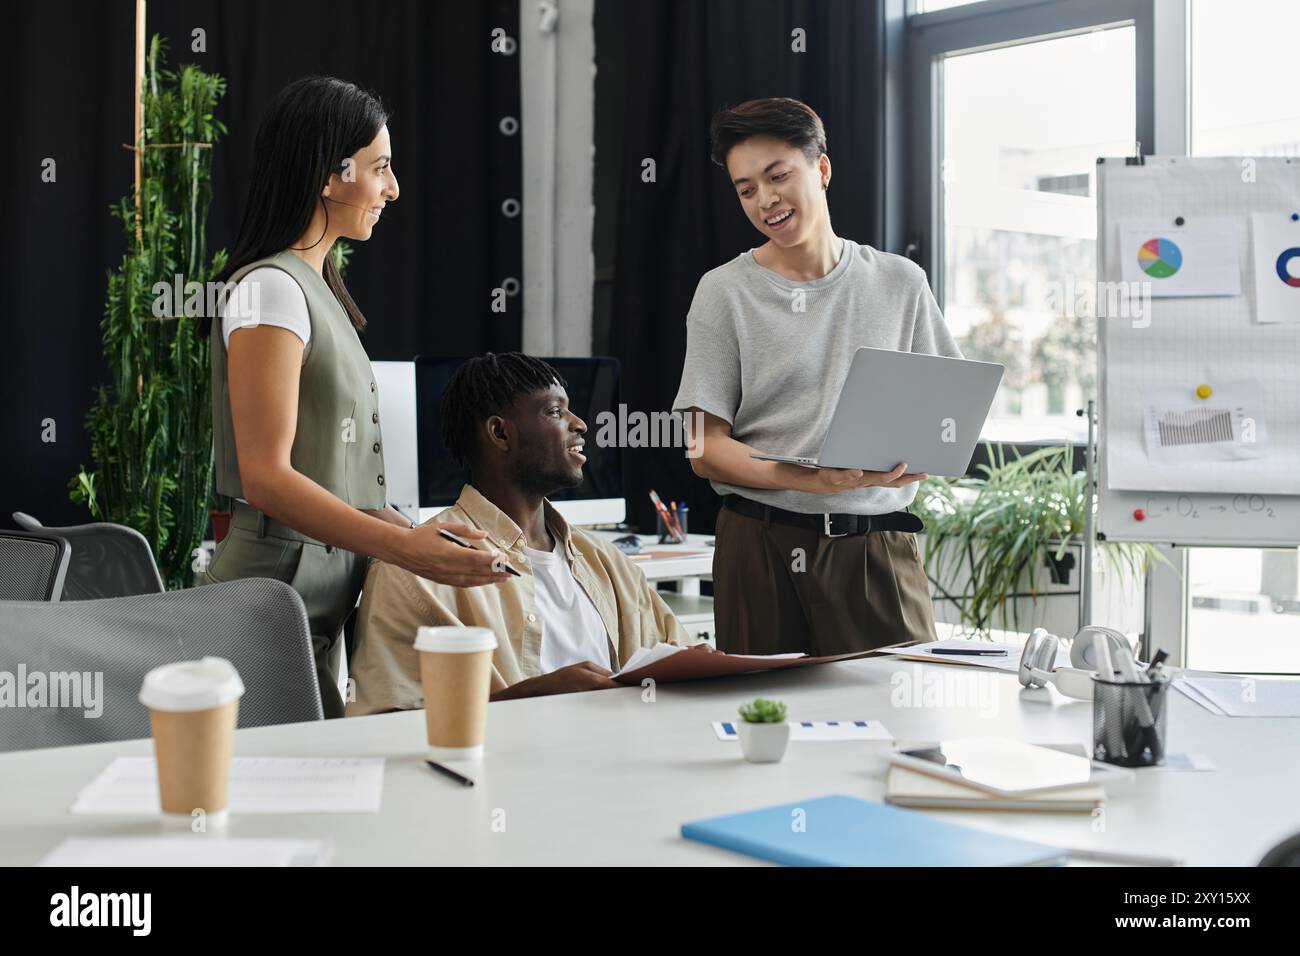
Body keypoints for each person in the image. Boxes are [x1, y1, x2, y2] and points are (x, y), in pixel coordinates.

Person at [201, 77, 511, 717]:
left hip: (308, 599)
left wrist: (431, 537)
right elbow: (266, 477)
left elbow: (346, 489)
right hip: (264, 597)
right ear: (328, 175)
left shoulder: (315, 289)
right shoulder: (271, 290)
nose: (393, 189)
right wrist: (404, 548)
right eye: (381, 168)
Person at [673, 97, 962, 657]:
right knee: (766, 723)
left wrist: (921, 451)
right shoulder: (723, 292)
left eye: (778, 176)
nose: (766, 200)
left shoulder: (901, 282)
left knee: (901, 721)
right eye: (746, 189)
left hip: (876, 545)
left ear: (822, 168)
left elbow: (947, 417)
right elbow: (704, 448)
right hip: (758, 542)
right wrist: (811, 480)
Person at [348, 352, 698, 715]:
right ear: (500, 433)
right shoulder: (413, 571)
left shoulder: (608, 561)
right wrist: (530, 697)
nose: (580, 425)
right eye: (555, 412)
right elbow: (385, 723)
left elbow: (683, 662)